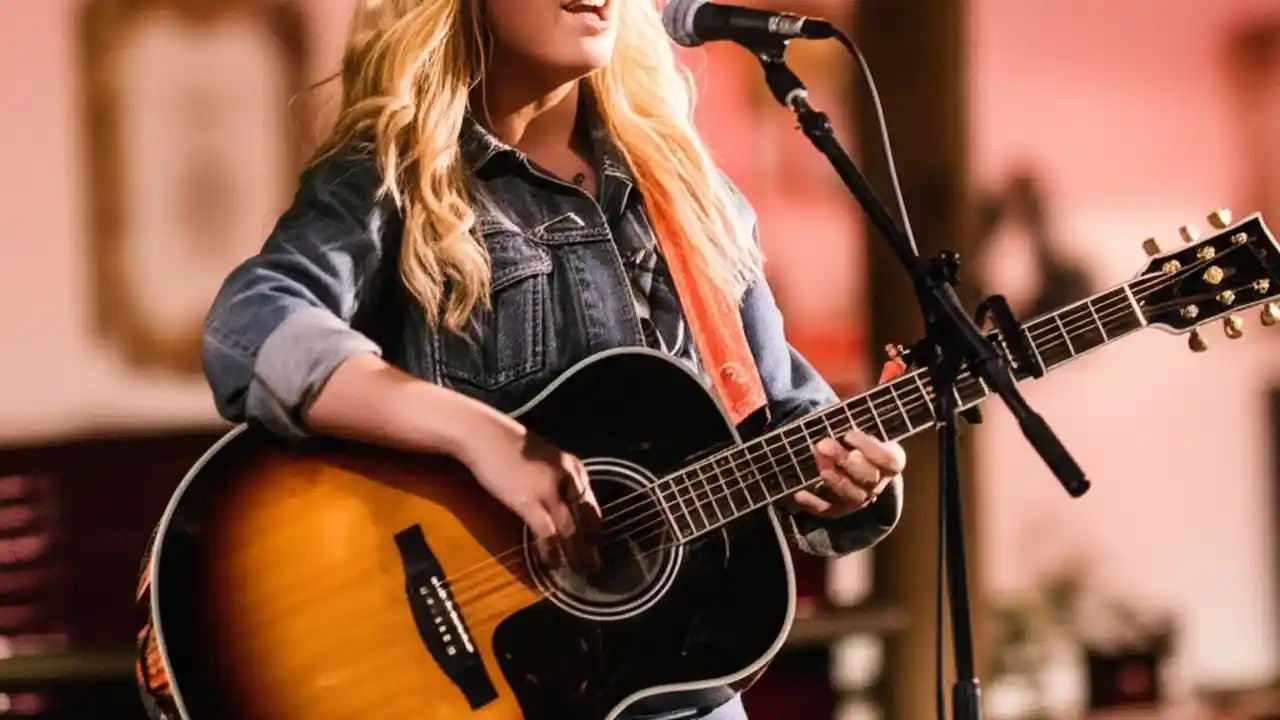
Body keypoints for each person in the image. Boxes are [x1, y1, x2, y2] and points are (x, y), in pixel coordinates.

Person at [202, 0, 908, 717]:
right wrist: (481, 437)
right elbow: (254, 325)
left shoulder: (693, 198)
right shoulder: (397, 180)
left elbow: (786, 419)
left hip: (673, 691)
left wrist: (851, 481)